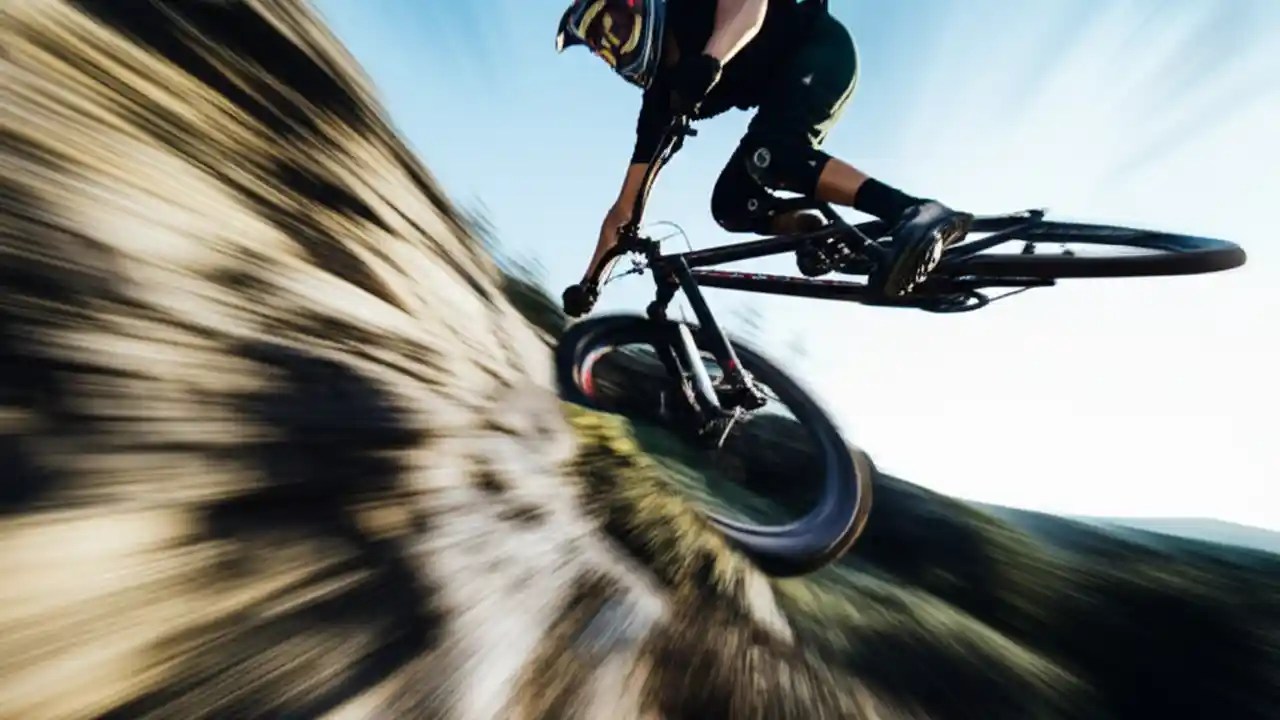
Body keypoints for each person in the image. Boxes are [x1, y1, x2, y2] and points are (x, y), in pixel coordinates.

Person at [554, 0, 973, 317]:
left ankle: (917, 212)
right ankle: (816, 231)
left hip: (820, 51)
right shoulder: (661, 100)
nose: (614, 49)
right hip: (780, 99)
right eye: (603, 49)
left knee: (771, 156)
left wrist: (711, 59)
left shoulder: (686, 7)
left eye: (613, 28)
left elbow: (749, 10)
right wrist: (592, 282)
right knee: (731, 204)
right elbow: (625, 210)